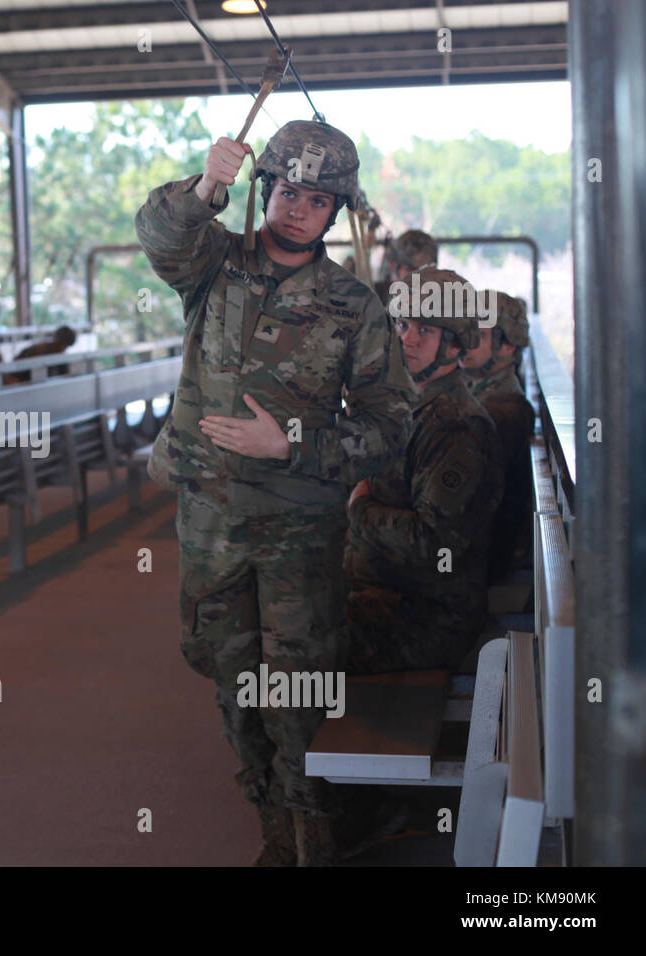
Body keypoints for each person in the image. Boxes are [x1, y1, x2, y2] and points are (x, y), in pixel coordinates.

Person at [136, 121, 415, 865]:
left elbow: (393, 427)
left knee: (298, 689)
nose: (299, 209)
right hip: (211, 518)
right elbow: (161, 239)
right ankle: (267, 814)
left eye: (317, 200)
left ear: (335, 212)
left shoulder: (353, 305)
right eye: (288, 191)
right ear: (268, 190)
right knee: (228, 673)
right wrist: (205, 187)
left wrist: (295, 444)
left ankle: (310, 829)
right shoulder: (213, 264)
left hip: (300, 528)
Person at [345, 268, 503, 674]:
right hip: (386, 588)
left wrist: (360, 511)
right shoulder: (408, 405)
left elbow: (435, 545)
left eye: (426, 330)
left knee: (292, 633)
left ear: (454, 346)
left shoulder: (455, 427)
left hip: (426, 618)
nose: (407, 338)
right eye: (402, 323)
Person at [459, 291, 535, 581]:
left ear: (507, 346)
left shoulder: (504, 412)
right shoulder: (480, 395)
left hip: (475, 565)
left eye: (477, 333)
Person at [373, 229, 438, 306]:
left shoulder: (439, 305)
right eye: (413, 270)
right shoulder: (372, 301)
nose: (421, 279)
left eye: (428, 271)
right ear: (393, 265)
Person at [6, 325, 76, 384]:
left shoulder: (59, 356)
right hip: (22, 384)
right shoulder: (39, 351)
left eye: (65, 346)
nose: (63, 349)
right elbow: (15, 374)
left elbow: (65, 374)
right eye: (63, 345)